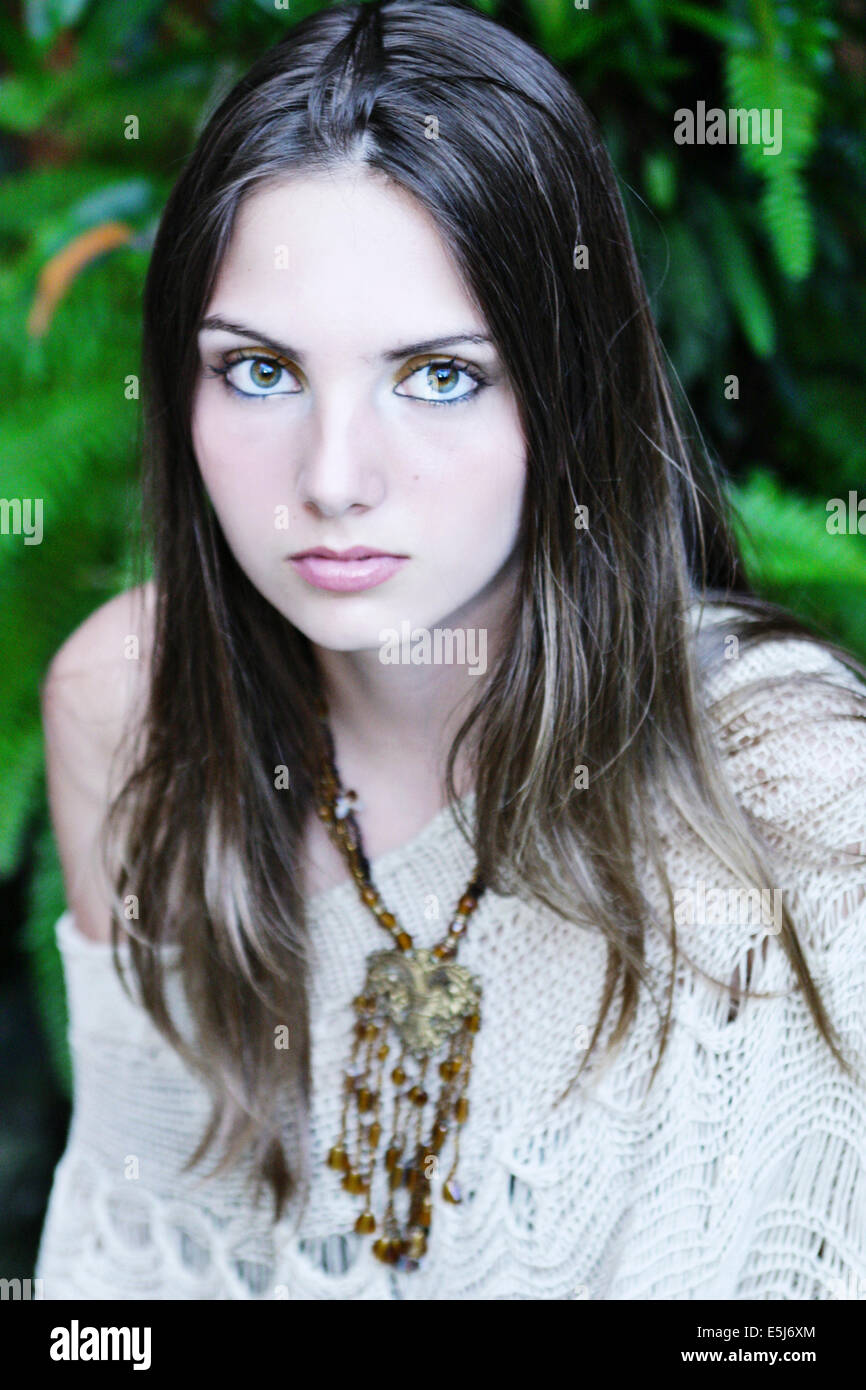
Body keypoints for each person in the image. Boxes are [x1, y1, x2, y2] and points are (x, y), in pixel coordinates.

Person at [35, 0, 866, 1299]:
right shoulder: (127, 710)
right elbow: (130, 1259)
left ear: (564, 388)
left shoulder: (786, 783)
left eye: (435, 374)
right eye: (257, 372)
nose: (333, 475)